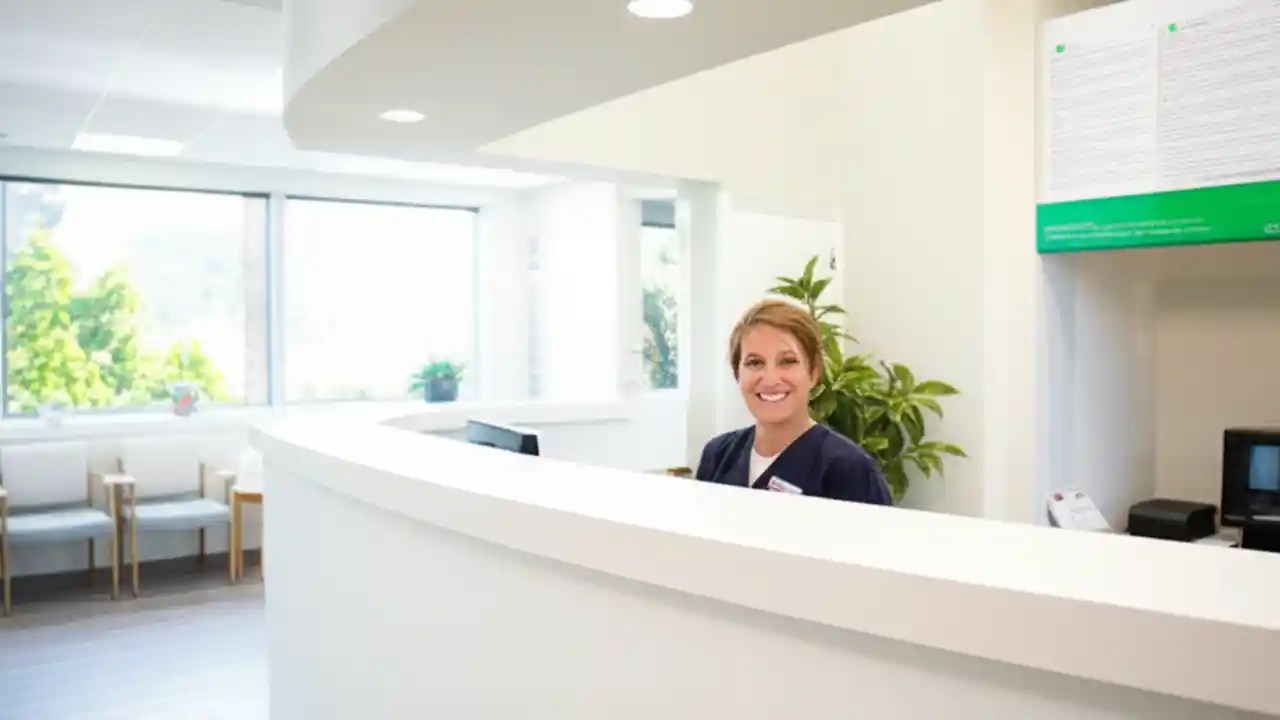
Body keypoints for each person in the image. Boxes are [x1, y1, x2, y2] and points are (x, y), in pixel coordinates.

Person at [695, 299, 891, 505]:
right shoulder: (718, 455)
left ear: (814, 372)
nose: (770, 380)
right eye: (755, 363)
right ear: (738, 373)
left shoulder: (850, 470)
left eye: (788, 361)